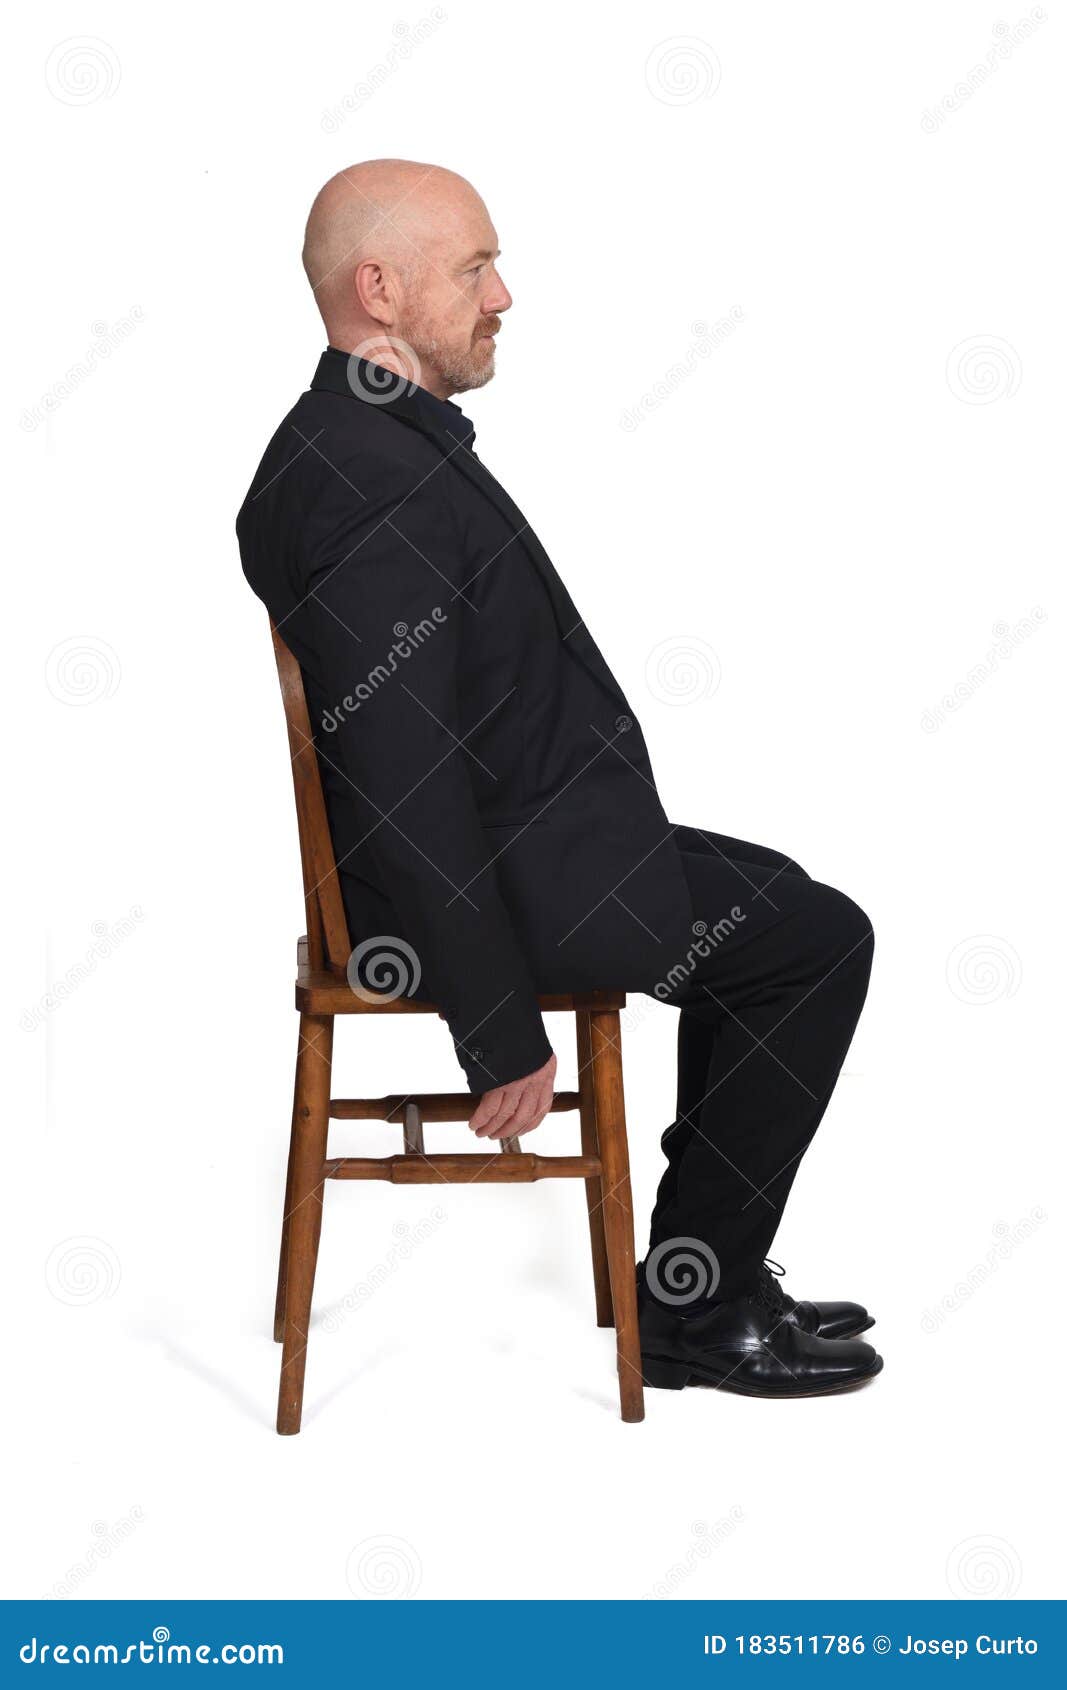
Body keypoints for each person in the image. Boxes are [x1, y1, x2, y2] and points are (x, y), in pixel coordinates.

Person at [237, 160, 882, 1399]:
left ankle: (706, 1265)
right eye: (474, 267)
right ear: (378, 288)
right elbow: (398, 776)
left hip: (525, 839)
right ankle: (699, 1306)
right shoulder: (371, 479)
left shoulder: (352, 438)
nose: (503, 295)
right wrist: (494, 1028)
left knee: (779, 893)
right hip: (475, 886)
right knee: (814, 941)